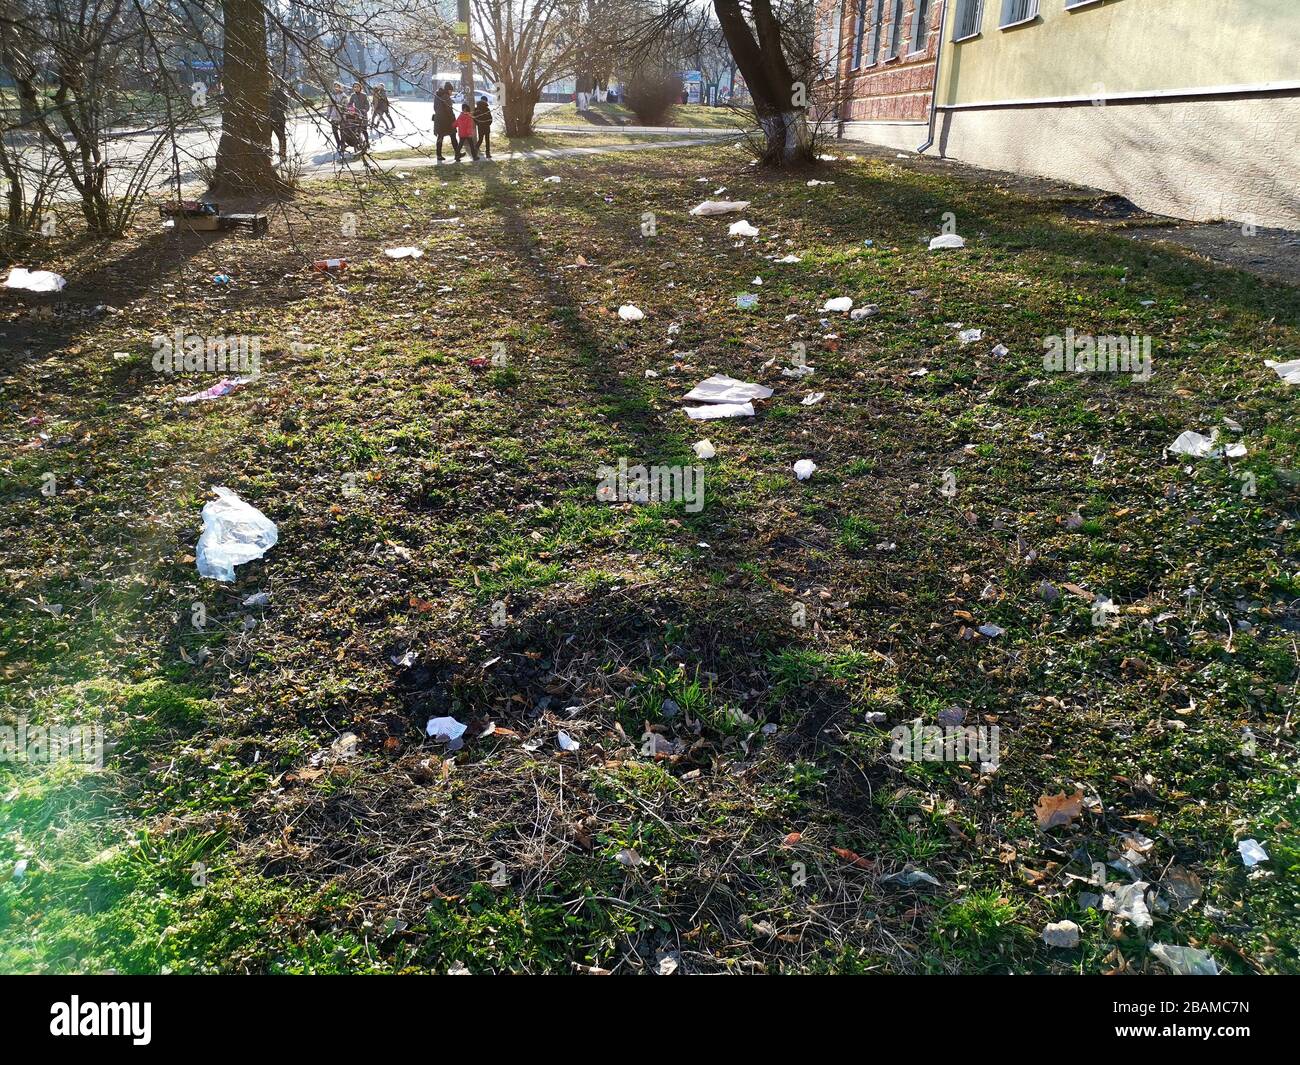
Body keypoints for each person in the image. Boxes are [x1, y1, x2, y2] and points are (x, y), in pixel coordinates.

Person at [433, 82, 458, 162]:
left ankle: (439, 155)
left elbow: (435, 108)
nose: (451, 93)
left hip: (438, 119)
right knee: (453, 135)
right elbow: (449, 110)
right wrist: (454, 120)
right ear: (448, 90)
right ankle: (457, 153)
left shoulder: (437, 96)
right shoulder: (446, 97)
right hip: (447, 121)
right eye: (451, 91)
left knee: (440, 137)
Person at [268, 81, 289, 160]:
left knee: (281, 137)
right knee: (267, 138)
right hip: (267, 119)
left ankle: (282, 154)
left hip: (279, 118)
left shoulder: (280, 92)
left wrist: (278, 111)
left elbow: (285, 105)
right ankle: (269, 156)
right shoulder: (263, 92)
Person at [327, 81, 346, 152]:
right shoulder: (331, 95)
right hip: (334, 115)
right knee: (334, 131)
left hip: (341, 115)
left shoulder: (343, 95)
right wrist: (328, 114)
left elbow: (345, 105)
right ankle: (338, 143)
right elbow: (329, 106)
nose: (336, 88)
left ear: (340, 87)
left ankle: (343, 144)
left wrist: (343, 110)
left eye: (337, 86)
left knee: (342, 131)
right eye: (335, 87)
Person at [473, 95, 493, 160]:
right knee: (487, 140)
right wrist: (488, 124)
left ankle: (475, 151)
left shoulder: (476, 109)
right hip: (486, 127)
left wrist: (478, 123)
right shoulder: (487, 109)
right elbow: (490, 119)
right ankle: (488, 154)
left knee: (480, 140)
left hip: (480, 127)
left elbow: (474, 118)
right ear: (485, 101)